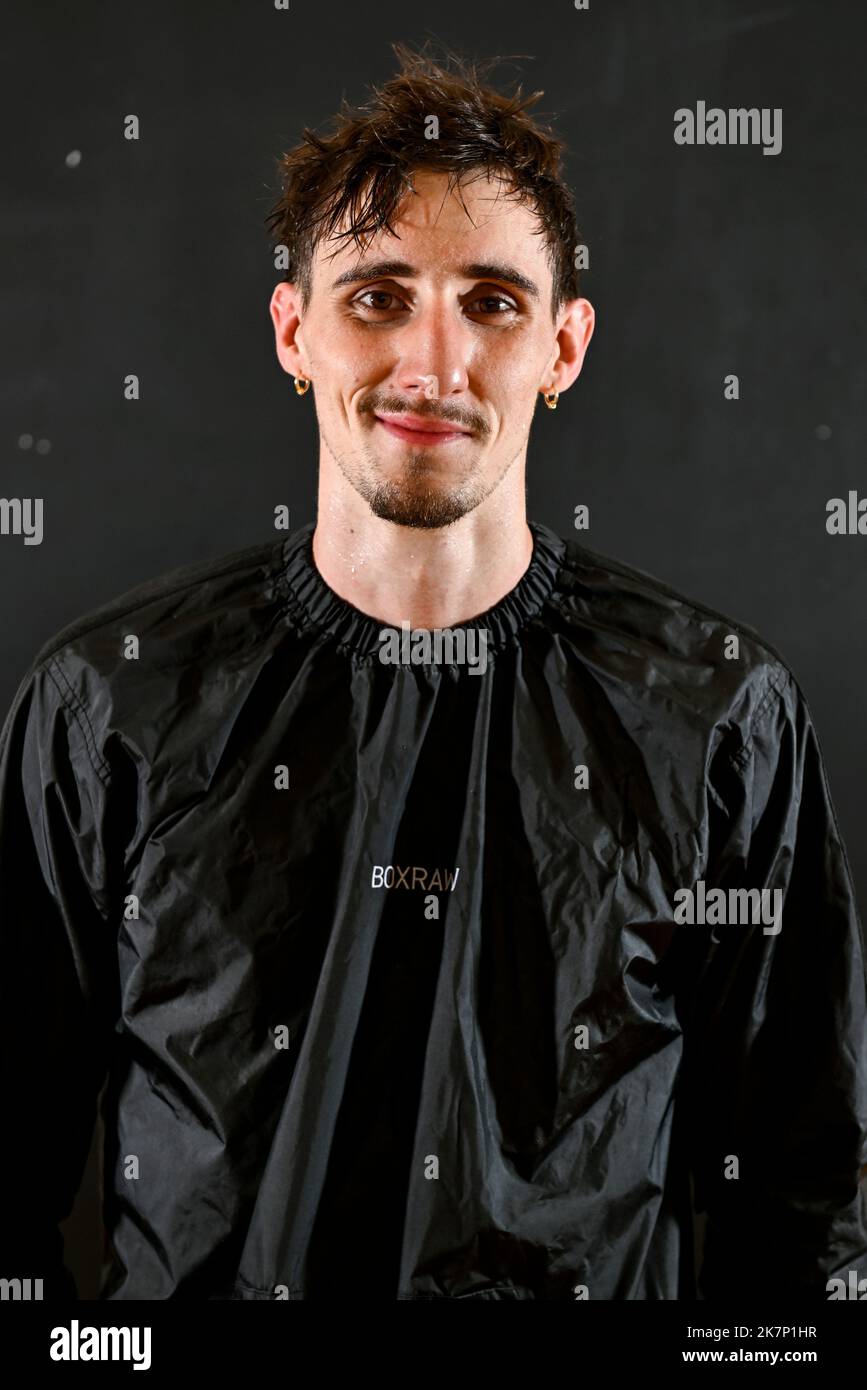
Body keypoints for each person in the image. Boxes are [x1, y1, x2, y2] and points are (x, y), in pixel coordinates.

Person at [1, 43, 865, 1303]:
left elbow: (810, 1200)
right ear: (294, 331)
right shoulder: (106, 705)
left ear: (563, 347)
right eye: (377, 295)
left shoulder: (720, 713)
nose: (432, 365)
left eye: (493, 302)